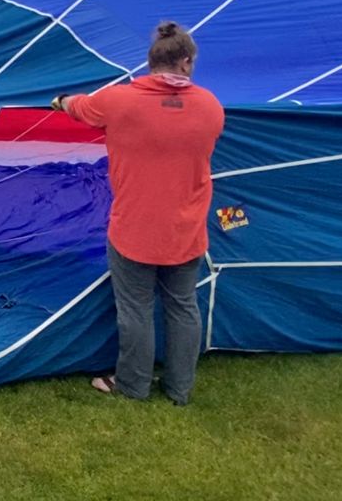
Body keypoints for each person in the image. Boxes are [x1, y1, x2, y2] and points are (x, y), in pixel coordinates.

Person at [52, 21, 224, 406]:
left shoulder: (119, 101)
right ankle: (180, 390)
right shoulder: (211, 107)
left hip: (135, 232)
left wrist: (60, 100)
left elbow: (78, 107)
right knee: (183, 308)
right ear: (185, 62)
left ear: (150, 62)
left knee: (136, 311)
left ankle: (133, 385)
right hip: (187, 231)